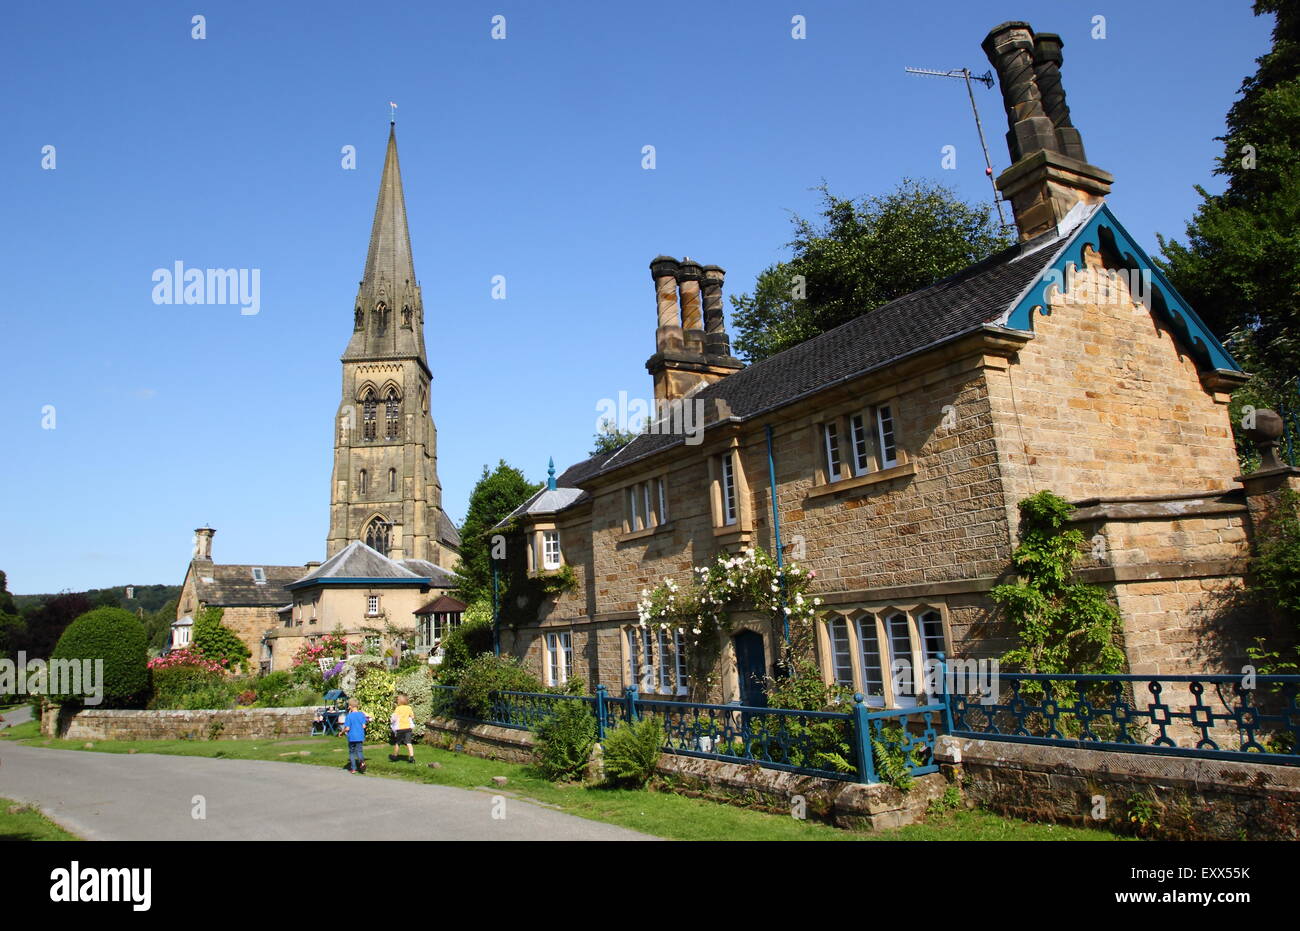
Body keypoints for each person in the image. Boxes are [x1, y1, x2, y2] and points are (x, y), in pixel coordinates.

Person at [340, 699, 370, 774]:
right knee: (359, 751)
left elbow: (347, 728)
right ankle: (362, 762)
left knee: (352, 752)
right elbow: (364, 726)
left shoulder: (349, 716)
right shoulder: (361, 715)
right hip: (360, 736)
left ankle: (353, 768)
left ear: (350, 706)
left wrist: (342, 732)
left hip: (352, 737)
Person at [389, 693, 416, 763]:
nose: (397, 701)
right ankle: (411, 757)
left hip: (400, 728)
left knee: (398, 743)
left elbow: (394, 717)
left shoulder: (398, 708)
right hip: (408, 728)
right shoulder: (409, 708)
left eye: (397, 700)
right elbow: (412, 717)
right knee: (408, 743)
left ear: (400, 701)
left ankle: (395, 755)